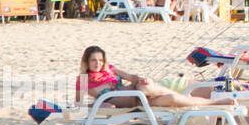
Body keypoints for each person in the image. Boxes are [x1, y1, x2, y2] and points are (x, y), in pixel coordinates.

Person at [77, 46, 215, 109]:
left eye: (100, 60)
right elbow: (78, 104)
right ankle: (213, 103)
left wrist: (141, 79)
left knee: (144, 85)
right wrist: (98, 105)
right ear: (87, 62)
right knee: (172, 98)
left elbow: (132, 77)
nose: (98, 63)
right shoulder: (83, 80)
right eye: (94, 60)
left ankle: (207, 99)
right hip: (139, 103)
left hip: (139, 91)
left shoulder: (110, 69)